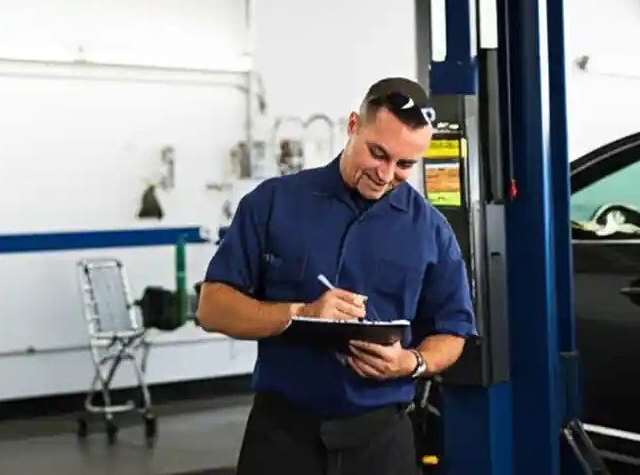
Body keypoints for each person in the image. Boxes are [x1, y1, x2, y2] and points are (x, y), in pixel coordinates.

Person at [196, 77, 477, 475]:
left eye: (404, 165)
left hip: (382, 440)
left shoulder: (431, 230)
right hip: (282, 437)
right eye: (378, 154)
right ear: (352, 126)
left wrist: (411, 363)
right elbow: (212, 308)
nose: (386, 173)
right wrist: (300, 312)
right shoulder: (272, 203)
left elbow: (454, 332)